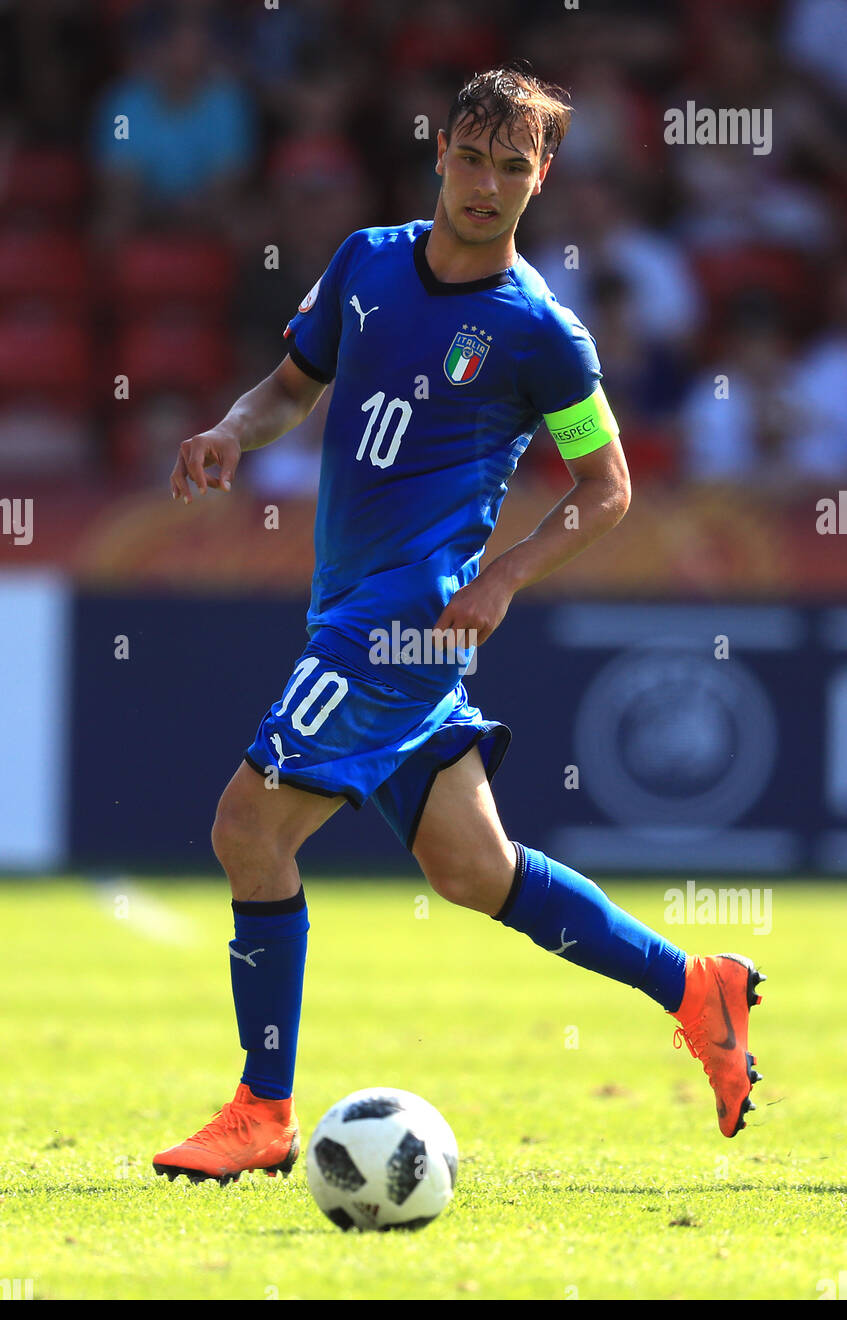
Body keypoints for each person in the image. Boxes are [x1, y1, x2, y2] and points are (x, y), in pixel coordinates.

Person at [155, 68, 765, 1185]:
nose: (487, 186)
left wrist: (511, 574)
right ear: (441, 152)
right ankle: (693, 987)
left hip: (405, 626)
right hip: (350, 605)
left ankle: (262, 1107)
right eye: (473, 159)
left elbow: (608, 485)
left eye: (514, 168)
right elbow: (293, 384)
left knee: (249, 827)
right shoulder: (365, 263)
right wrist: (236, 429)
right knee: (472, 872)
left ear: (544, 178)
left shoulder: (541, 333)